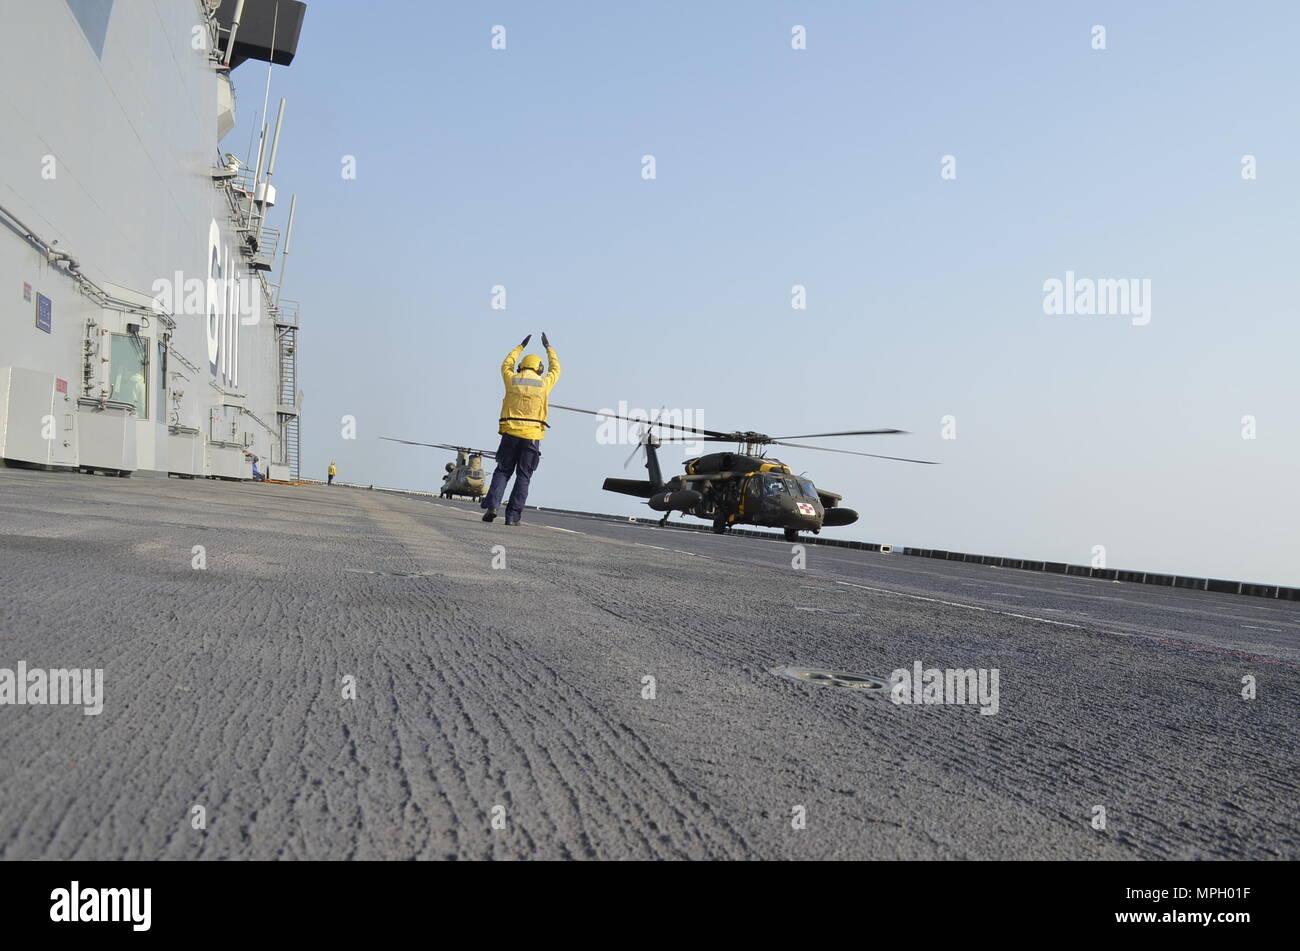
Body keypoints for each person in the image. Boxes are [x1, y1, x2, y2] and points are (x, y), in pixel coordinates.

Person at [481, 332, 560, 525]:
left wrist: (520, 347)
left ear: (521, 366)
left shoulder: (512, 379)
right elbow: (556, 369)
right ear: (539, 368)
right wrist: (549, 348)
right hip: (532, 436)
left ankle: (492, 506)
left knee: (503, 470)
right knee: (524, 475)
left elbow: (506, 364)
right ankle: (512, 517)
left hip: (510, 433)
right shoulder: (544, 383)